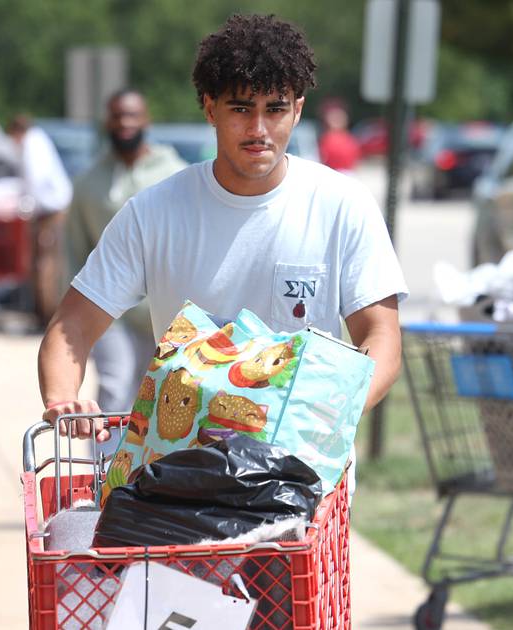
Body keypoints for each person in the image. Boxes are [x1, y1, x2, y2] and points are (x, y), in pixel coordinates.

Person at [38, 14, 407, 465]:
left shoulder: (343, 205)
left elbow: (381, 337)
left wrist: (327, 413)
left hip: (303, 483)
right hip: (181, 479)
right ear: (210, 108)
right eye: (240, 109)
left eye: (275, 109)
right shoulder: (153, 212)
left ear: (298, 110)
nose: (258, 130)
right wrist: (62, 398)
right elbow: (70, 327)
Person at [66, 88, 187, 418]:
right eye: (117, 116)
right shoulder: (89, 182)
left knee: (159, 395)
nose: (125, 123)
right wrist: (70, 307)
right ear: (106, 121)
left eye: (132, 115)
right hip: (109, 308)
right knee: (114, 386)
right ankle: (102, 468)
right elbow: (75, 247)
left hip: (163, 309)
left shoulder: (174, 174)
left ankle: (147, 468)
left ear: (146, 119)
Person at [8, 115, 72, 324]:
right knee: (46, 263)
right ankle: (44, 310)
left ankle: (46, 313)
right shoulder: (38, 140)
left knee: (45, 264)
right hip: (50, 209)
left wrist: (26, 207)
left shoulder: (31, 144)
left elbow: (35, 180)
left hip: (49, 213)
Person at [317, 101, 360, 174]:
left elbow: (355, 158)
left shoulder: (349, 138)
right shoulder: (326, 138)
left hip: (347, 173)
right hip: (331, 172)